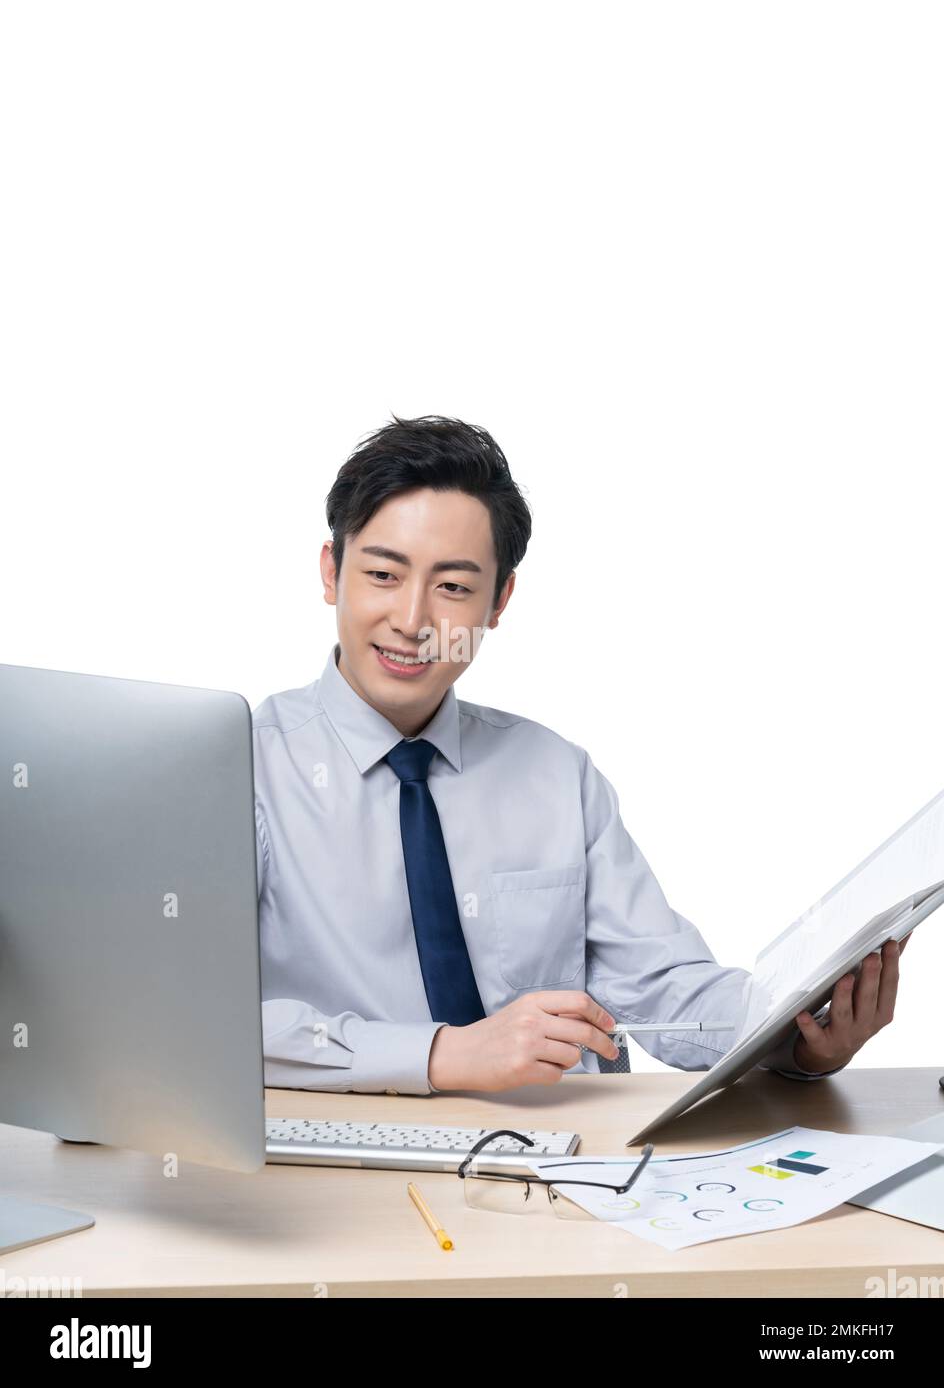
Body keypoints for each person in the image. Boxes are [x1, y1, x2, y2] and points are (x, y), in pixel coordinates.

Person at [252, 414, 907, 1094]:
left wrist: (797, 1032)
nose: (413, 620)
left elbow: (663, 986)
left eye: (453, 587)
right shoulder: (238, 773)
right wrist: (441, 1054)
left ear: (499, 600)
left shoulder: (555, 774)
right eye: (384, 574)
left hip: (562, 1154)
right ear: (331, 571)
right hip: (351, 1156)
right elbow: (193, 1020)